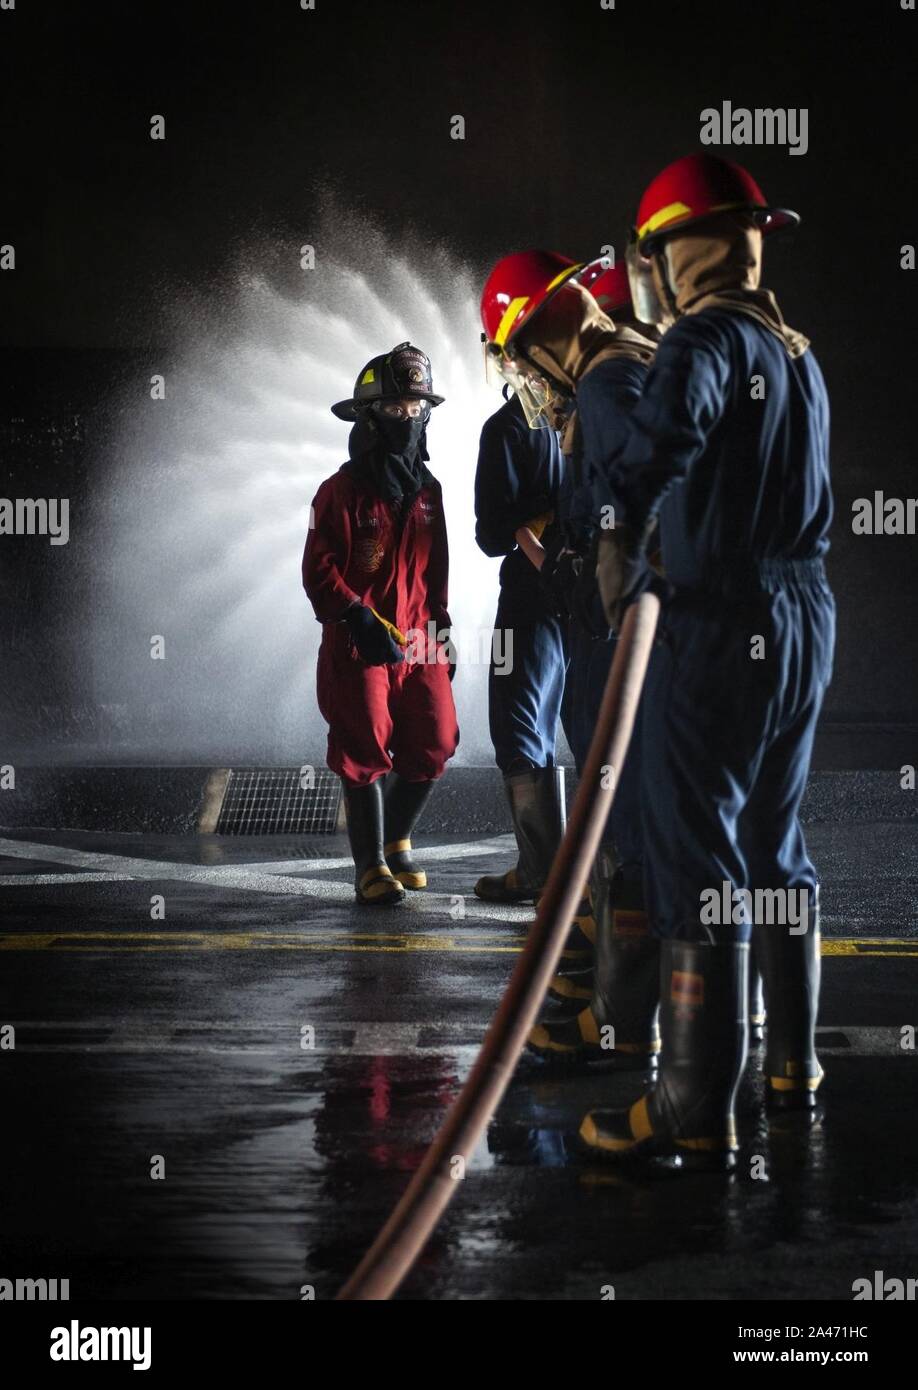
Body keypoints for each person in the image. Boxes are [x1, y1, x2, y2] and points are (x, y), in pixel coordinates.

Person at [578, 154, 834, 1168]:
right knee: (775, 844)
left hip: (719, 622)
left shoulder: (705, 337)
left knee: (699, 855)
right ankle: (793, 1066)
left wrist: (617, 527)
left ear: (679, 251)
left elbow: (663, 441)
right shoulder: (800, 352)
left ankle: (688, 1103)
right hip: (804, 617)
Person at [479, 250, 662, 1064]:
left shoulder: (604, 386)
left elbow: (632, 512)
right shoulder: (642, 369)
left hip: (605, 618)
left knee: (618, 813)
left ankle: (624, 1026)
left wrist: (598, 577)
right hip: (584, 606)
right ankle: (603, 981)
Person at [303, 342, 459, 906]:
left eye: (416, 409)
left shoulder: (429, 493)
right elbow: (317, 571)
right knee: (364, 743)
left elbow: (436, 567)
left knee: (436, 741)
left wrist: (442, 628)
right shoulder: (338, 493)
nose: (408, 419)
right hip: (360, 643)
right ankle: (369, 866)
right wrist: (354, 613)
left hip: (420, 639)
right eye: (395, 409)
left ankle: (397, 840)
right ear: (369, 418)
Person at [472, 274, 570, 906]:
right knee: (557, 723)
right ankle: (564, 873)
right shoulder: (579, 413)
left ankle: (542, 874)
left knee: (515, 725)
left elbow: (491, 535)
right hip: (582, 599)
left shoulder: (507, 427)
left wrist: (528, 542)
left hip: (530, 601)